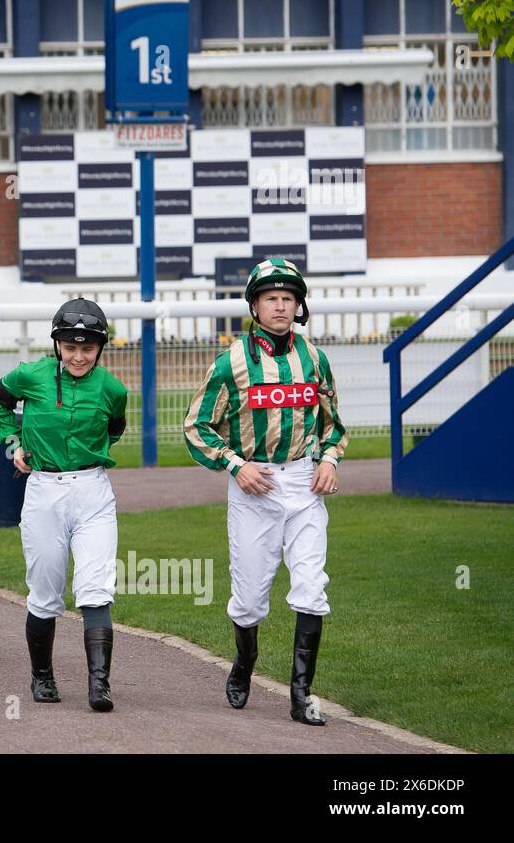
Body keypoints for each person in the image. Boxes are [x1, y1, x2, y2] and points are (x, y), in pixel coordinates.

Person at [183, 258, 348, 726]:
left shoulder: (315, 359)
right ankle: (244, 662)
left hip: (302, 481)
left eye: (288, 299)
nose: (280, 306)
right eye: (271, 298)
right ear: (255, 305)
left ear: (299, 307)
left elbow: (334, 427)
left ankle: (301, 695)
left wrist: (330, 459)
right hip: (254, 485)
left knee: (312, 589)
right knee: (251, 598)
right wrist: (235, 466)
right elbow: (196, 427)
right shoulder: (230, 362)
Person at [0, 299, 127, 711]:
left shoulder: (113, 389)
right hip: (43, 492)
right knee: (46, 592)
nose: (78, 356)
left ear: (100, 348)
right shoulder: (30, 375)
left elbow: (114, 429)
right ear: (56, 345)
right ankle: (42, 675)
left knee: (96, 589)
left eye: (87, 348)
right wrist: (13, 444)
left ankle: (99, 686)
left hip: (93, 491)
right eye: (69, 347)